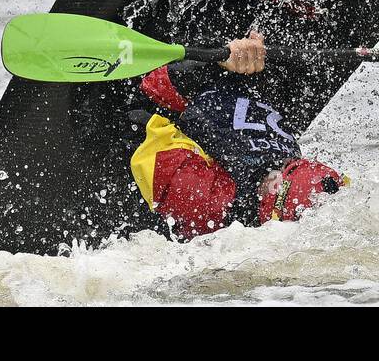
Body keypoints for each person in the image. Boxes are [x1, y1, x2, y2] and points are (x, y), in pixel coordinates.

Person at [130, 31, 347, 239]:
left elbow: (140, 107)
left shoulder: (209, 204)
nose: (279, 164)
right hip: (230, 57)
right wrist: (253, 57)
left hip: (176, 78)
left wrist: (212, 59)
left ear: (274, 186)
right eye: (289, 166)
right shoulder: (294, 160)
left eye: (282, 170)